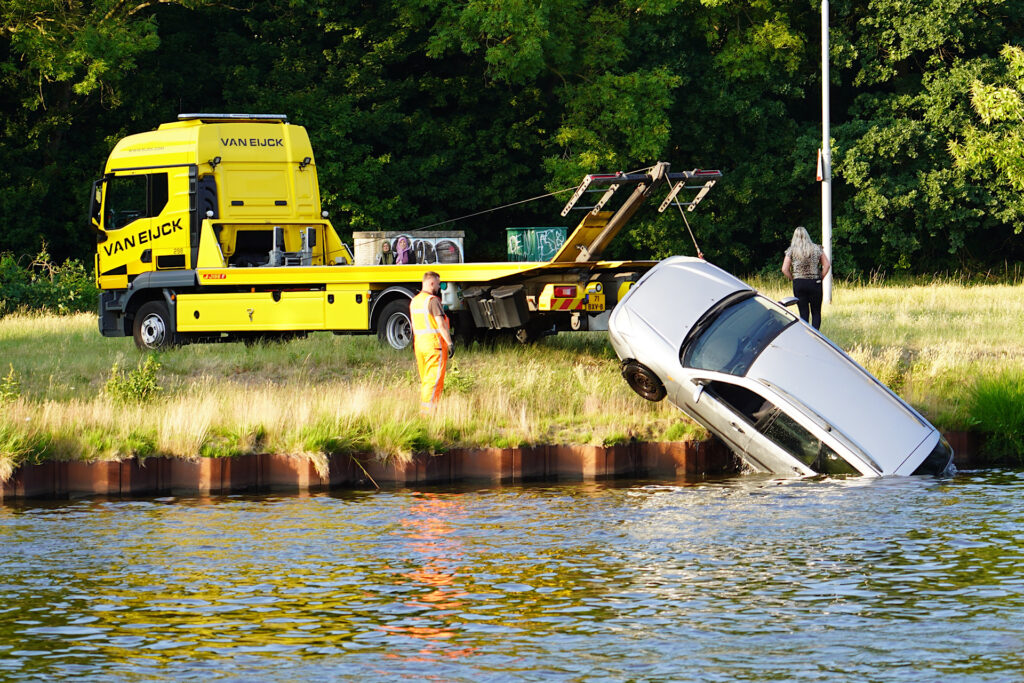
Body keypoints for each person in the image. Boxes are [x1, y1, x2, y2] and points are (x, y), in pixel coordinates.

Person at [411, 271, 453, 414]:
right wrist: (449, 342)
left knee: (426, 381)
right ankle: (427, 415)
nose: (439, 287)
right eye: (438, 283)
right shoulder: (432, 301)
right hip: (434, 346)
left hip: (420, 346)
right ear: (431, 283)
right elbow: (441, 324)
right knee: (434, 381)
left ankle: (425, 411)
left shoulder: (415, 301)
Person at [781, 226, 831, 329]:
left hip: (799, 283)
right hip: (814, 282)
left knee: (803, 312)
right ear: (807, 236)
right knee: (816, 312)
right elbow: (827, 265)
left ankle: (806, 335)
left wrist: (793, 279)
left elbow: (785, 269)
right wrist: (820, 277)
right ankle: (816, 335)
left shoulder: (791, 251)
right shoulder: (817, 248)